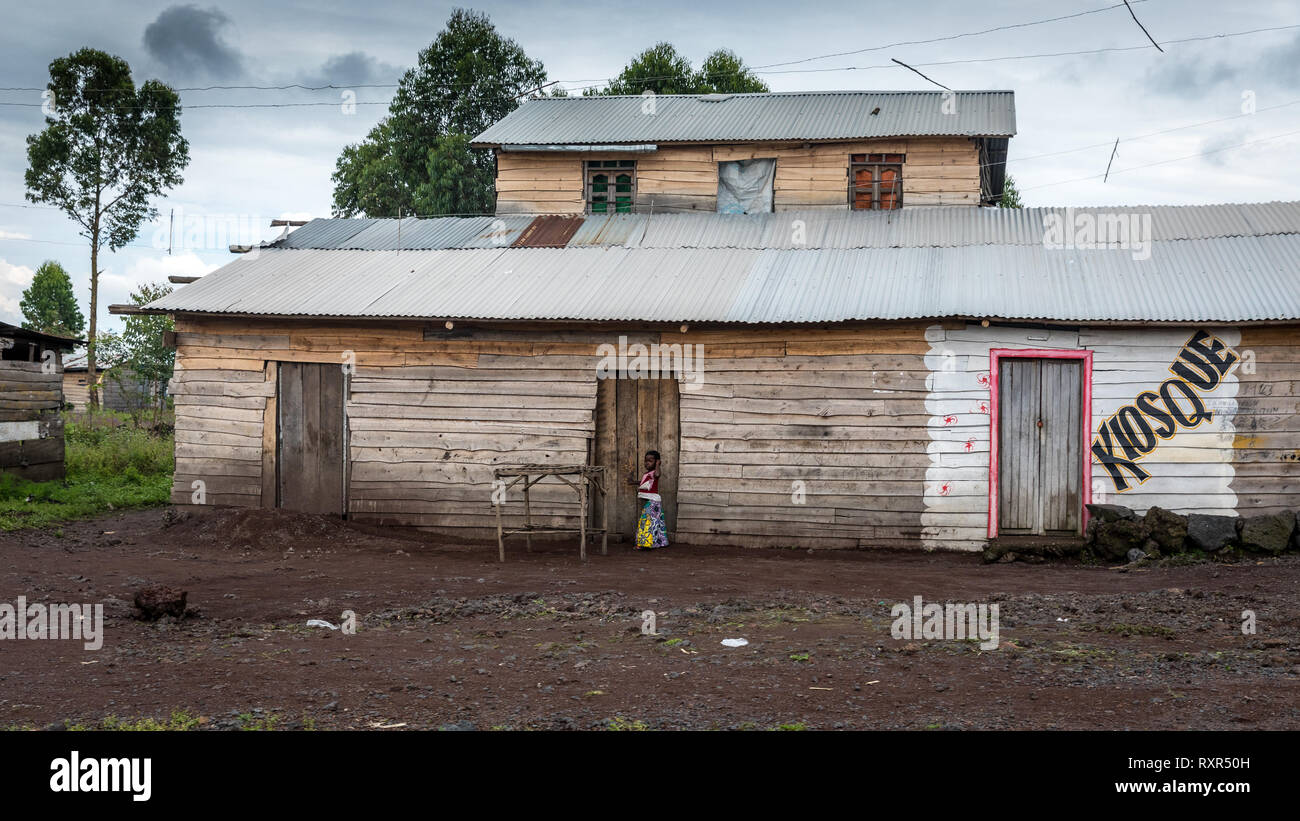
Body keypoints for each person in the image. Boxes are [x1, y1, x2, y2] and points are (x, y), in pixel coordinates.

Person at [635, 450, 668, 550]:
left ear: (657, 462)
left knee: (647, 522)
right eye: (646, 461)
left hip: (653, 502)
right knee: (654, 522)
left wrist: (658, 465)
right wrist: (633, 482)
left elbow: (657, 475)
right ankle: (657, 542)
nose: (647, 463)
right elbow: (643, 483)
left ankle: (644, 544)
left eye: (650, 461)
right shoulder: (647, 474)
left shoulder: (655, 472)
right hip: (651, 502)